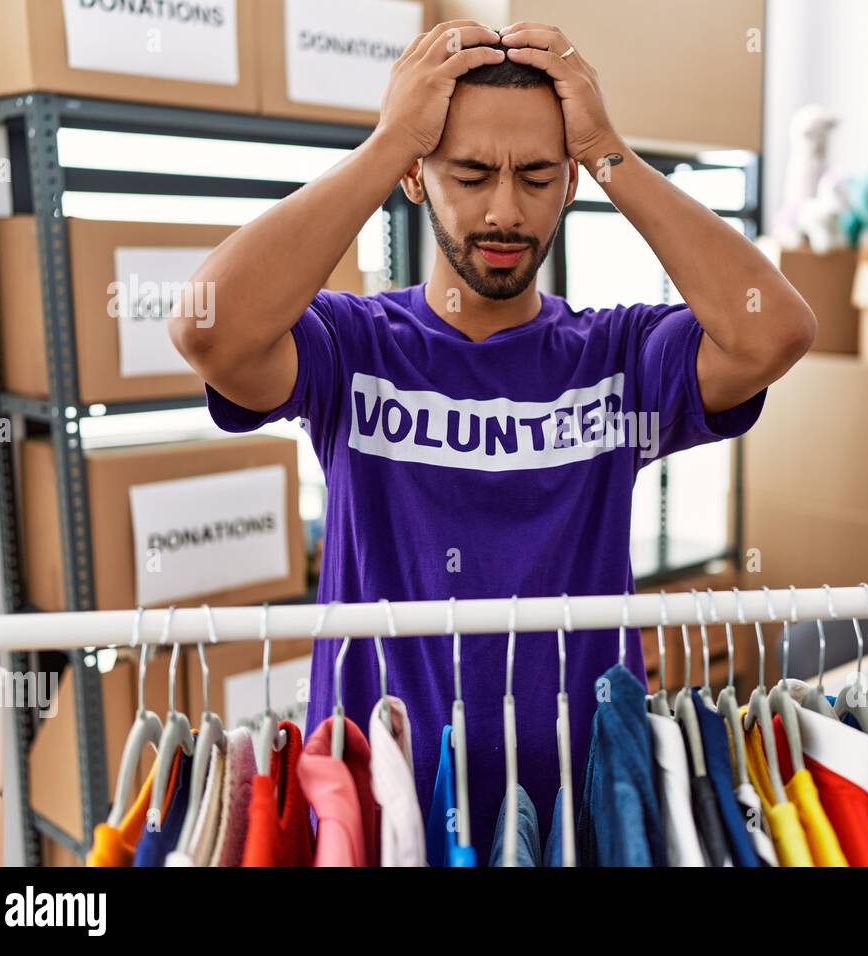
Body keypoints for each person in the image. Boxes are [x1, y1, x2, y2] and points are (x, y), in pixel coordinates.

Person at [170, 19, 816, 864]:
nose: (505, 210)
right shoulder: (353, 345)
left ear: (570, 183)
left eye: (539, 176)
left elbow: (775, 334)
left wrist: (610, 151)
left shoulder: (616, 357)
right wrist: (386, 142)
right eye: (470, 174)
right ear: (417, 176)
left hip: (580, 823)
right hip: (380, 811)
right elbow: (210, 331)